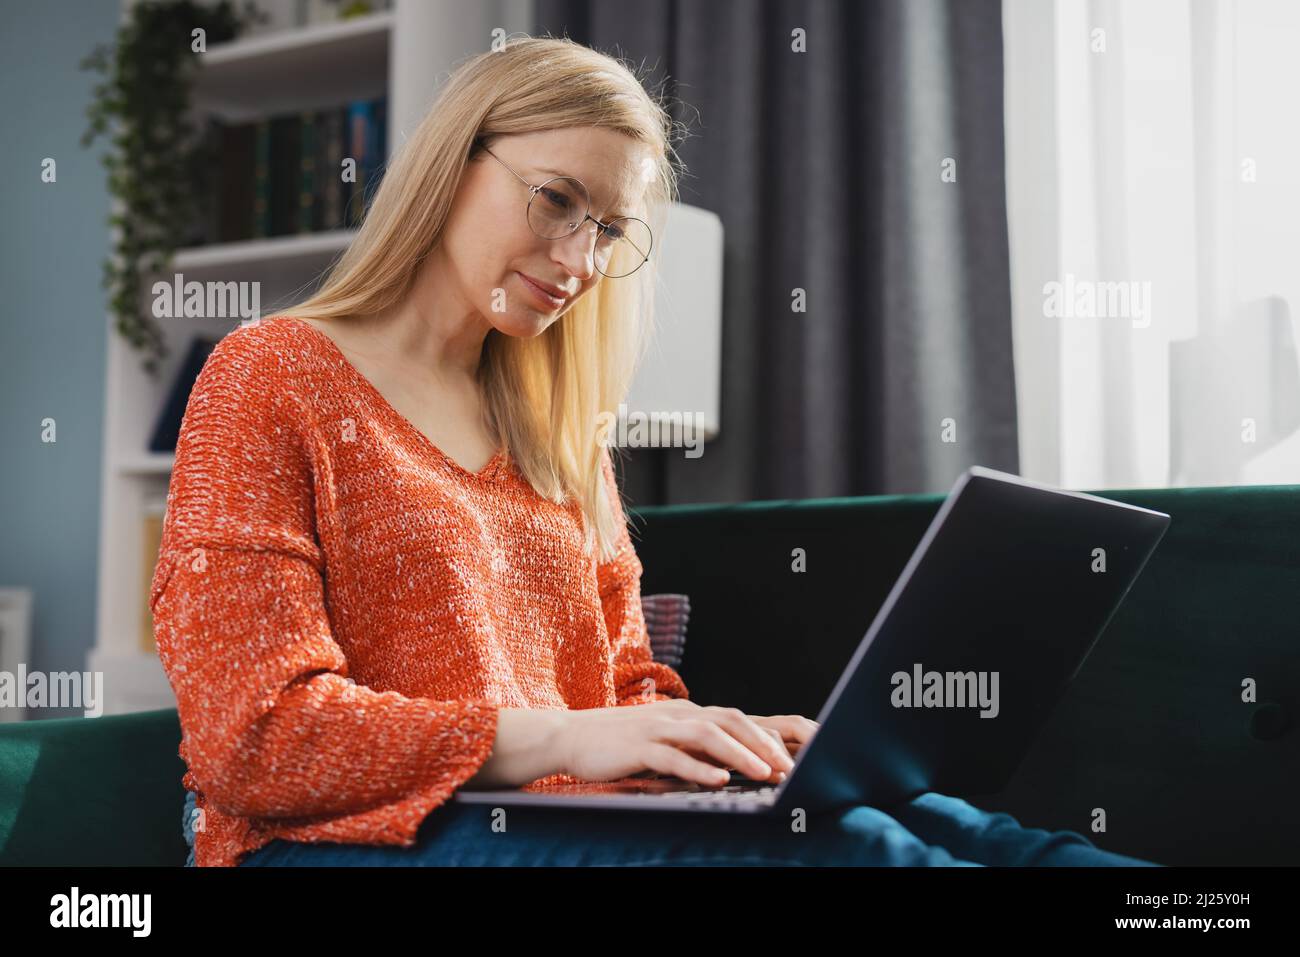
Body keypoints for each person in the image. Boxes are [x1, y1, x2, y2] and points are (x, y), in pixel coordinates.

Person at [155, 34, 1157, 868]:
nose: (580, 262)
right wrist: (573, 739)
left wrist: (722, 741)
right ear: (454, 159)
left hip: (551, 817)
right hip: (340, 843)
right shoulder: (271, 374)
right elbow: (256, 741)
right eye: (556, 199)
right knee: (849, 850)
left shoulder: (554, 427)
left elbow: (623, 685)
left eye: (610, 232)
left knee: (978, 835)